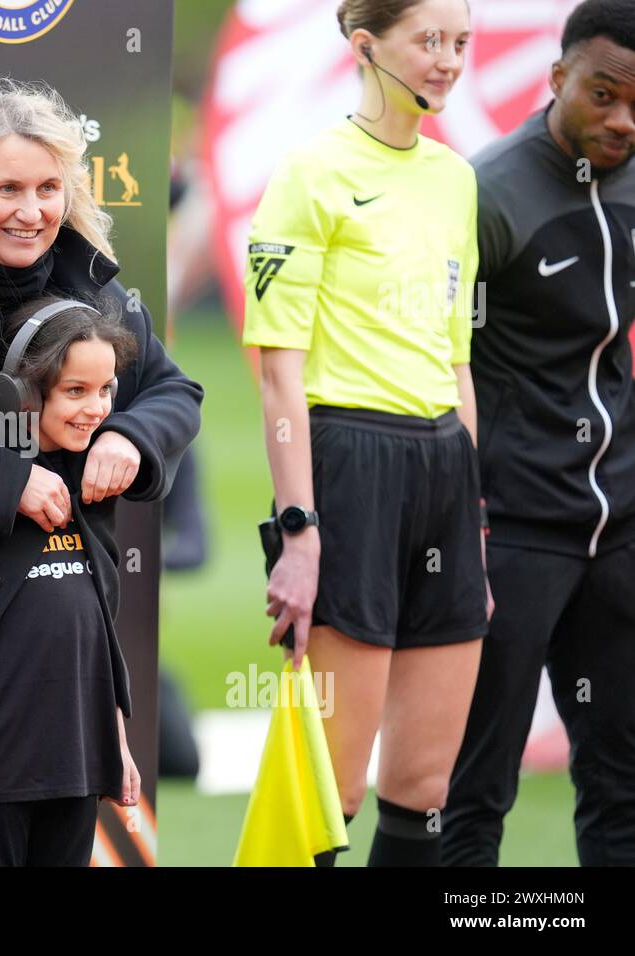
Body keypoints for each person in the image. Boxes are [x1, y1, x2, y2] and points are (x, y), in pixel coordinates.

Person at [0, 81, 203, 866]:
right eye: (7, 188)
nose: (31, 210)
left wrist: (131, 436)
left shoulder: (100, 291)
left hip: (65, 651)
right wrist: (1, 479)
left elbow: (175, 392)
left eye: (49, 188)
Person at [243, 0, 488, 866]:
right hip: (352, 465)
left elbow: (455, 359)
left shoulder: (456, 177)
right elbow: (277, 369)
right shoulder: (308, 173)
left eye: (461, 42)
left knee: (423, 792)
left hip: (443, 473)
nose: (449, 61)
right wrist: (300, 532)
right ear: (364, 45)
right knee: (331, 794)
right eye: (429, 41)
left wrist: (474, 521)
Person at [443, 0, 635, 866]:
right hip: (514, 529)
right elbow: (441, 368)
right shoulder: (485, 192)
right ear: (557, 79)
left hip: (621, 525)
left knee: (622, 782)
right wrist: (465, 519)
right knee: (473, 788)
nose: (621, 119)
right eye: (603, 94)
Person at [0, 296, 141, 865]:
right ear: (21, 394)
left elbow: (97, 626)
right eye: (75, 391)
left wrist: (114, 740)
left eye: (106, 391)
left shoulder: (91, 481)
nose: (95, 409)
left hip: (76, 765)